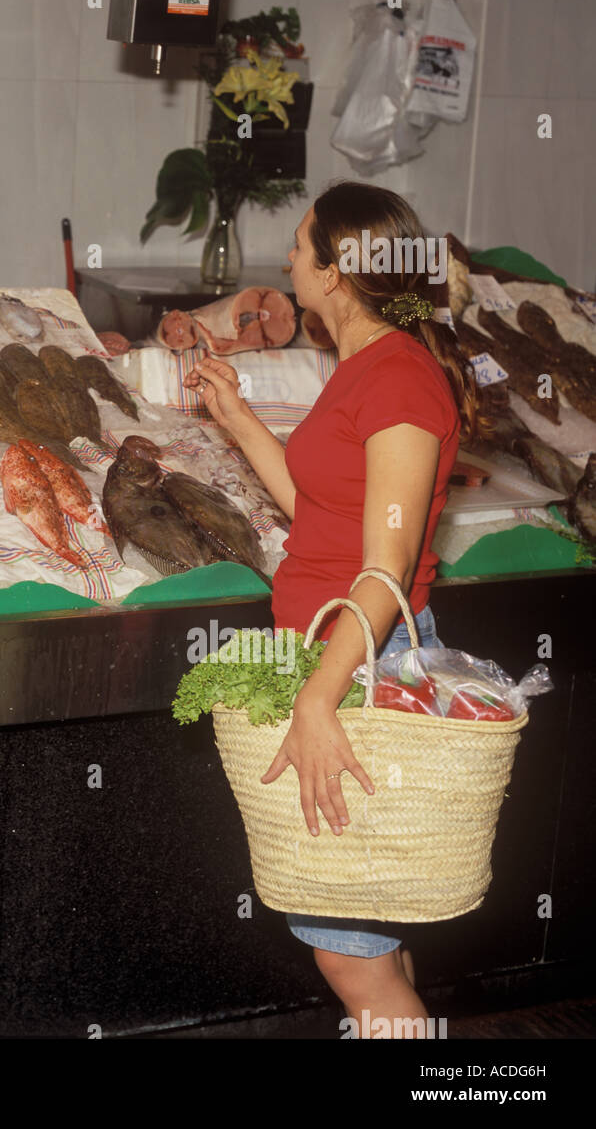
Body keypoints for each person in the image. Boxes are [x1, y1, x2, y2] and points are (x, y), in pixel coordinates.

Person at [183, 181, 479, 1037]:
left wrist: (318, 698)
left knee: (348, 952)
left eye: (302, 242)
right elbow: (323, 509)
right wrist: (238, 420)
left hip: (362, 666)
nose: (286, 258)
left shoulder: (399, 384)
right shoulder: (367, 364)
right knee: (371, 936)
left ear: (338, 272)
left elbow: (384, 571)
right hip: (338, 657)